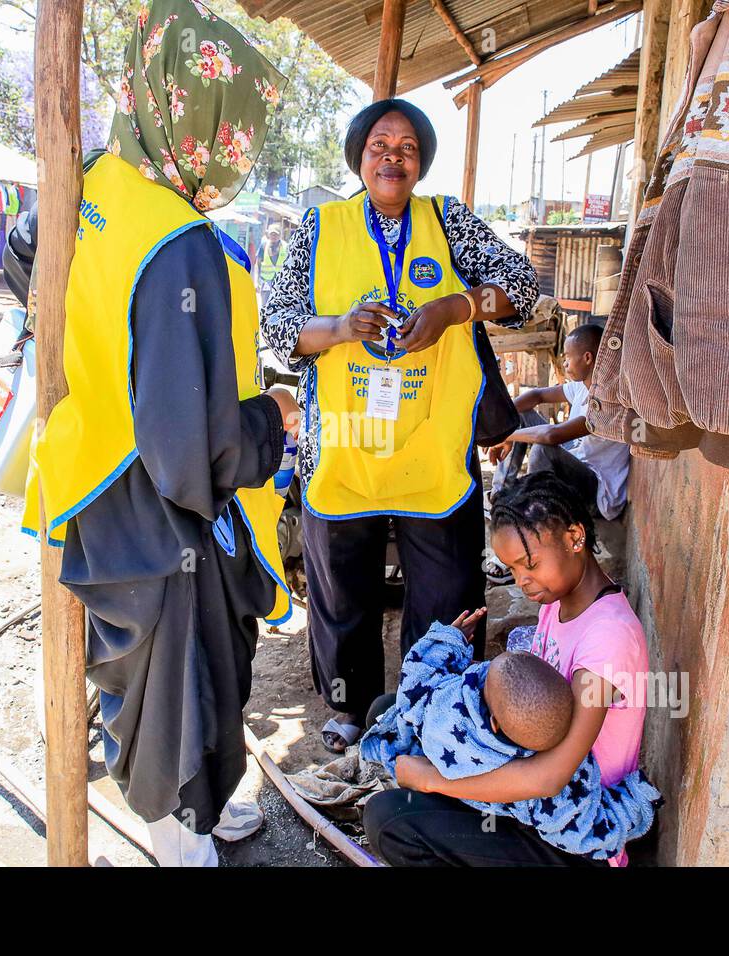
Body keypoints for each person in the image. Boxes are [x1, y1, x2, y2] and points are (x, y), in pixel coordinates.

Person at [19, 0, 296, 867]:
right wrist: (270, 424)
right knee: (183, 691)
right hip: (156, 507)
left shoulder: (94, 181)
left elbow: (25, 256)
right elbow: (196, 453)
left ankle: (197, 820)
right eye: (238, 133)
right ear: (205, 120)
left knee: (133, 676)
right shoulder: (182, 244)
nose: (239, 155)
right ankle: (182, 841)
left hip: (89, 479)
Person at [261, 98, 539, 753]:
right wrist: (336, 328)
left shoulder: (447, 220)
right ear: (359, 157)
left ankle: (430, 706)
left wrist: (455, 306)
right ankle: (351, 708)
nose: (393, 156)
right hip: (343, 452)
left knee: (445, 594)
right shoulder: (320, 226)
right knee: (343, 596)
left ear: (421, 164)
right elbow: (274, 327)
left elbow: (522, 286)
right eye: (380, 144)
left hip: (432, 448)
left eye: (408, 147)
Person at [362, 471, 651, 866]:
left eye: (529, 564)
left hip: (569, 829)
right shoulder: (559, 601)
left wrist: (433, 778)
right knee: (387, 710)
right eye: (513, 570)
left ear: (574, 537)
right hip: (530, 777)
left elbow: (552, 777)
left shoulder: (608, 642)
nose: (522, 582)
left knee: (387, 820)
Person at [360, 610, 658, 862]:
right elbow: (578, 825)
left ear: (493, 723)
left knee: (386, 818)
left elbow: (418, 675)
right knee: (384, 709)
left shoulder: (449, 714)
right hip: (512, 794)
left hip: (508, 798)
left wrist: (449, 640)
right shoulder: (557, 757)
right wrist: (631, 805)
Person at [488, 323, 630, 522]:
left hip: (596, 493)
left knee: (542, 449)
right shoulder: (583, 386)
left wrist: (505, 435)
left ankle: (532, 516)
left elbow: (552, 435)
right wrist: (499, 422)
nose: (564, 364)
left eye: (567, 358)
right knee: (519, 417)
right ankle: (501, 496)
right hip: (575, 462)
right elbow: (537, 395)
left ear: (587, 358)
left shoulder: (608, 400)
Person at [253, 222, 287, 306]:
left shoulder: (286, 247)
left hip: (281, 282)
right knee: (265, 305)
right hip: (266, 281)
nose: (274, 236)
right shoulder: (264, 245)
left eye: (276, 234)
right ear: (268, 234)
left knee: (280, 305)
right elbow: (257, 264)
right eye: (272, 234)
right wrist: (256, 282)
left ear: (280, 235)